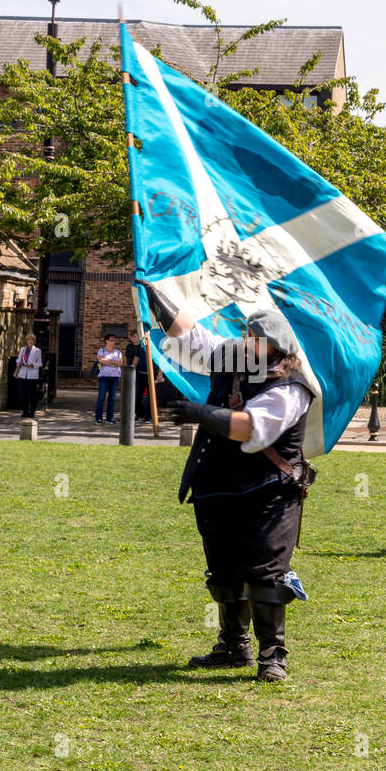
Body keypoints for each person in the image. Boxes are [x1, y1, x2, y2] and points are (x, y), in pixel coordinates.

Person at [142, 281, 314, 683]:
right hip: (217, 483)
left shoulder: (291, 388)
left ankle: (273, 655)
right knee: (223, 570)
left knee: (266, 572)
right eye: (246, 335)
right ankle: (234, 645)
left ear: (273, 346)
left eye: (253, 338)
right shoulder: (233, 357)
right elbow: (191, 338)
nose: (245, 341)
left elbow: (251, 427)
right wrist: (152, 293)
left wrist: (200, 414)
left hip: (268, 493)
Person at [94, 333, 123, 426]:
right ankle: (98, 418)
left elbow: (120, 363)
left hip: (115, 378)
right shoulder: (101, 350)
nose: (113, 342)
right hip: (104, 377)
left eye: (114, 340)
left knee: (112, 398)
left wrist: (109, 361)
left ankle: (109, 418)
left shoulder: (118, 352)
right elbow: (101, 360)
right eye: (111, 340)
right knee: (101, 397)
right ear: (106, 341)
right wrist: (113, 362)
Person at [15, 333, 43, 419]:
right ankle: (25, 411)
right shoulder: (23, 349)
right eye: (28, 339)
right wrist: (18, 362)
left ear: (34, 341)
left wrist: (33, 365)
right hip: (23, 374)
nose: (29, 341)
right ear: (26, 341)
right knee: (22, 395)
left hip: (32, 376)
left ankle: (32, 412)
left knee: (31, 395)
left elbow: (40, 363)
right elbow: (18, 359)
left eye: (31, 340)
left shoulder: (37, 350)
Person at [126, 328, 150, 422]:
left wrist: (160, 373)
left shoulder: (154, 346)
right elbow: (136, 358)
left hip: (151, 375)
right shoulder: (140, 346)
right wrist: (130, 371)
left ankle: (148, 417)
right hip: (140, 374)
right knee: (137, 396)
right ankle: (139, 415)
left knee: (150, 398)